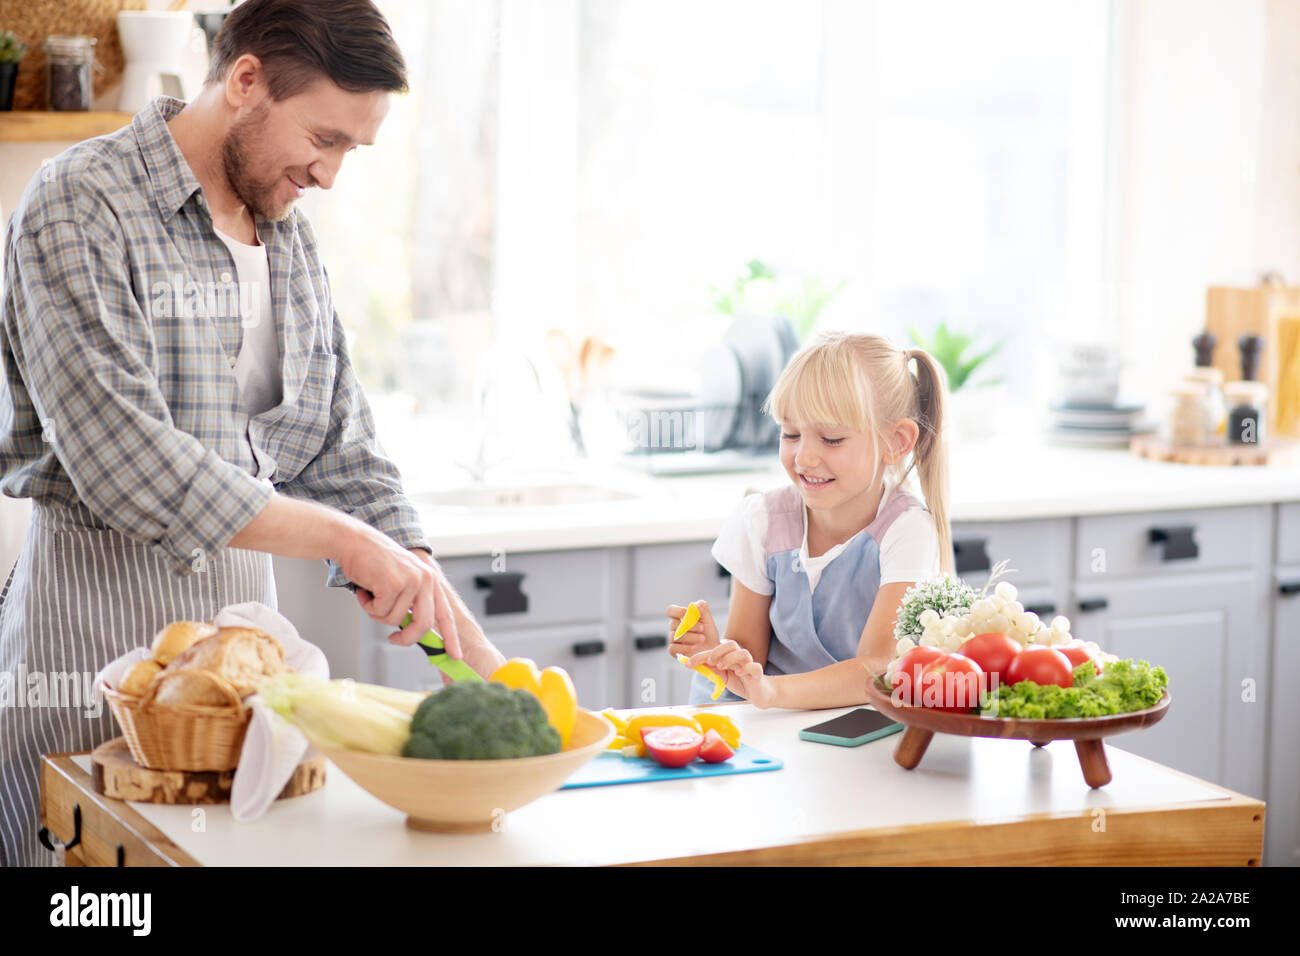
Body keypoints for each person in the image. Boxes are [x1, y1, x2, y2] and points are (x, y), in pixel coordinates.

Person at [0, 0, 504, 867]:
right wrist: (344, 542)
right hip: (83, 677)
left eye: (352, 148)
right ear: (245, 82)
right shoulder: (80, 203)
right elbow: (128, 464)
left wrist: (469, 652)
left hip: (253, 707)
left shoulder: (290, 245)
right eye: (328, 138)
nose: (333, 173)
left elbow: (344, 457)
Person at [667, 332, 953, 709]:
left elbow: (879, 667)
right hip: (759, 720)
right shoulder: (762, 519)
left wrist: (772, 692)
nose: (804, 458)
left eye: (831, 439)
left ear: (896, 442)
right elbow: (747, 658)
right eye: (791, 434)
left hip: (839, 722)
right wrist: (717, 652)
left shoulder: (907, 529)